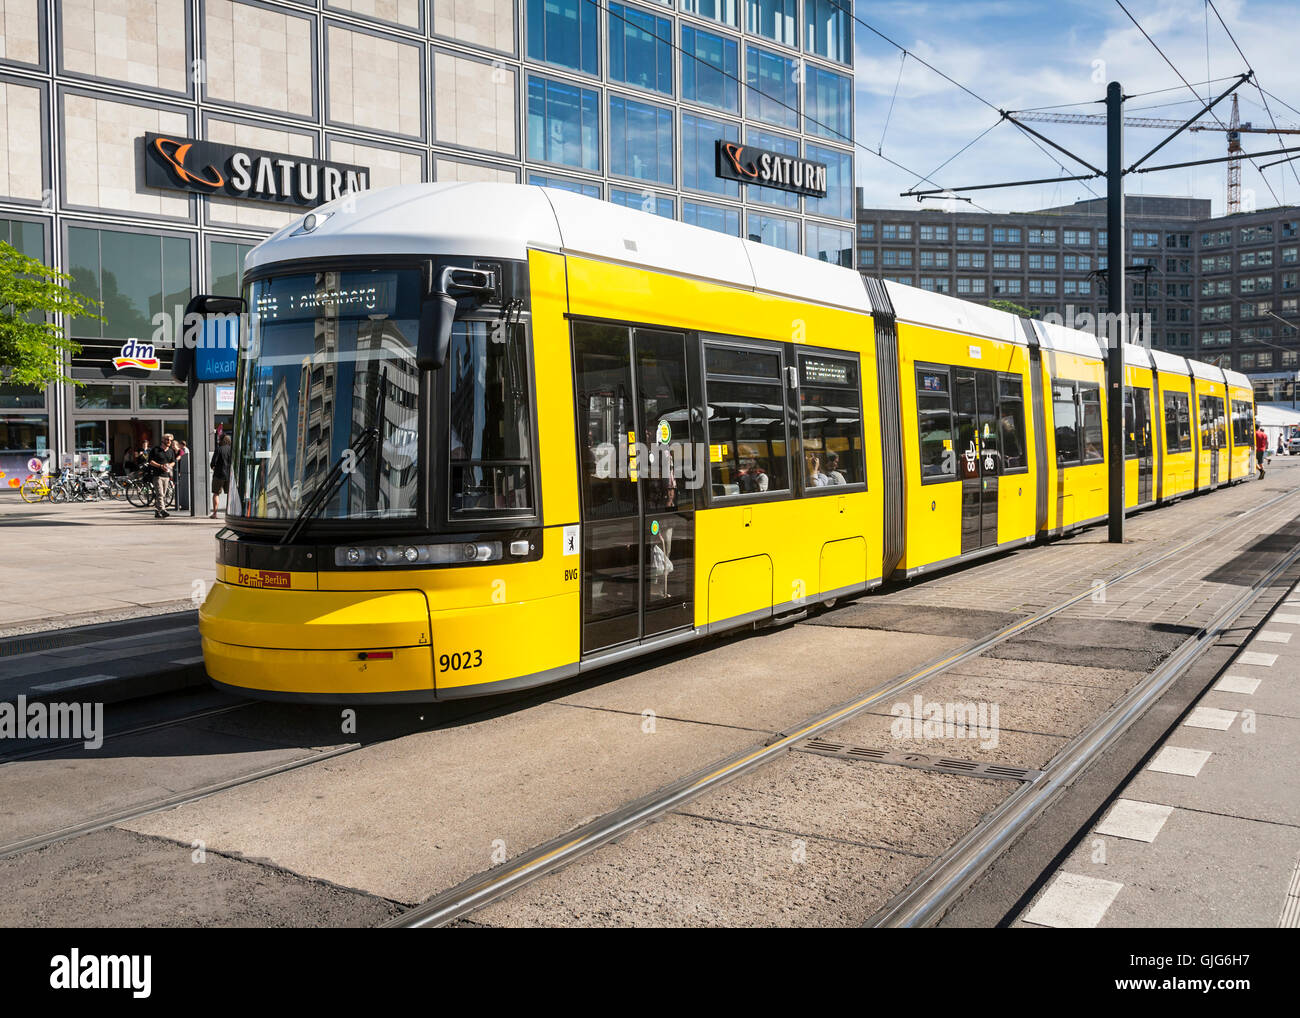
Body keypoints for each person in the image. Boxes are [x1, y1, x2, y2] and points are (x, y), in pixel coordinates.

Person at [148, 433, 178, 519]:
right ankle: (163, 510)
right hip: (157, 475)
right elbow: (150, 461)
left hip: (166, 476)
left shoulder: (171, 451)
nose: (169, 441)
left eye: (170, 440)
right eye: (167, 440)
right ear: (163, 440)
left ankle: (157, 511)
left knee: (163, 494)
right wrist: (161, 466)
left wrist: (169, 466)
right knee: (160, 493)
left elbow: (173, 462)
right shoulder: (155, 450)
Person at [211, 433, 232, 518]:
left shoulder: (219, 449)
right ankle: (229, 513)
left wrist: (213, 467)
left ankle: (215, 513)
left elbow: (213, 463)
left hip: (219, 474)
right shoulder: (232, 449)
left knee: (216, 493)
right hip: (229, 475)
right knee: (229, 494)